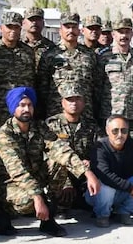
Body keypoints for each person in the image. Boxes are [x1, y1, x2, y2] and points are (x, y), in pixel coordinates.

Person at [0, 86, 67, 237]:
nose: (26, 109)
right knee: (28, 201)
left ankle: (48, 220)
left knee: (60, 161)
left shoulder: (39, 127)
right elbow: (17, 171)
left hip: (32, 176)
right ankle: (0, 213)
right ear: (13, 108)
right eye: (21, 105)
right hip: (5, 184)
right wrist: (37, 197)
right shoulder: (3, 135)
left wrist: (87, 173)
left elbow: (60, 149)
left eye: (29, 105)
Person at [41, 83, 104, 217]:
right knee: (56, 163)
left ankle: (88, 201)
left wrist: (92, 161)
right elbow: (44, 154)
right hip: (61, 174)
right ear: (62, 102)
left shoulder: (91, 125)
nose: (74, 103)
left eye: (78, 99)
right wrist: (66, 183)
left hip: (85, 174)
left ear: (84, 102)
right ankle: (58, 204)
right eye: (69, 99)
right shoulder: (51, 125)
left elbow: (102, 149)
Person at [36, 12, 108, 122]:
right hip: (57, 111)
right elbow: (43, 87)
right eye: (67, 27)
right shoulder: (49, 55)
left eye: (74, 27)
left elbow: (97, 85)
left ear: (79, 30)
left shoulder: (89, 55)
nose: (70, 30)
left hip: (85, 112)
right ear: (60, 30)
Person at [87, 114, 133, 227]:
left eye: (124, 131)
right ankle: (102, 215)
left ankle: (124, 212)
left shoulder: (132, 144)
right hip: (100, 192)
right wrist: (130, 187)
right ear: (107, 131)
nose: (120, 135)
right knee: (106, 187)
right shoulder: (99, 147)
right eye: (115, 131)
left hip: (123, 189)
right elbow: (106, 175)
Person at [0, 10, 38, 143]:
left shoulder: (28, 52)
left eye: (16, 27)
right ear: (1, 28)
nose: (12, 31)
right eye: (9, 27)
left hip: (23, 110)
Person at [100, 19, 133, 140]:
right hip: (112, 114)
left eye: (127, 32)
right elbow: (97, 86)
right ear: (113, 34)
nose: (124, 36)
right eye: (120, 32)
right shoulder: (104, 57)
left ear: (132, 34)